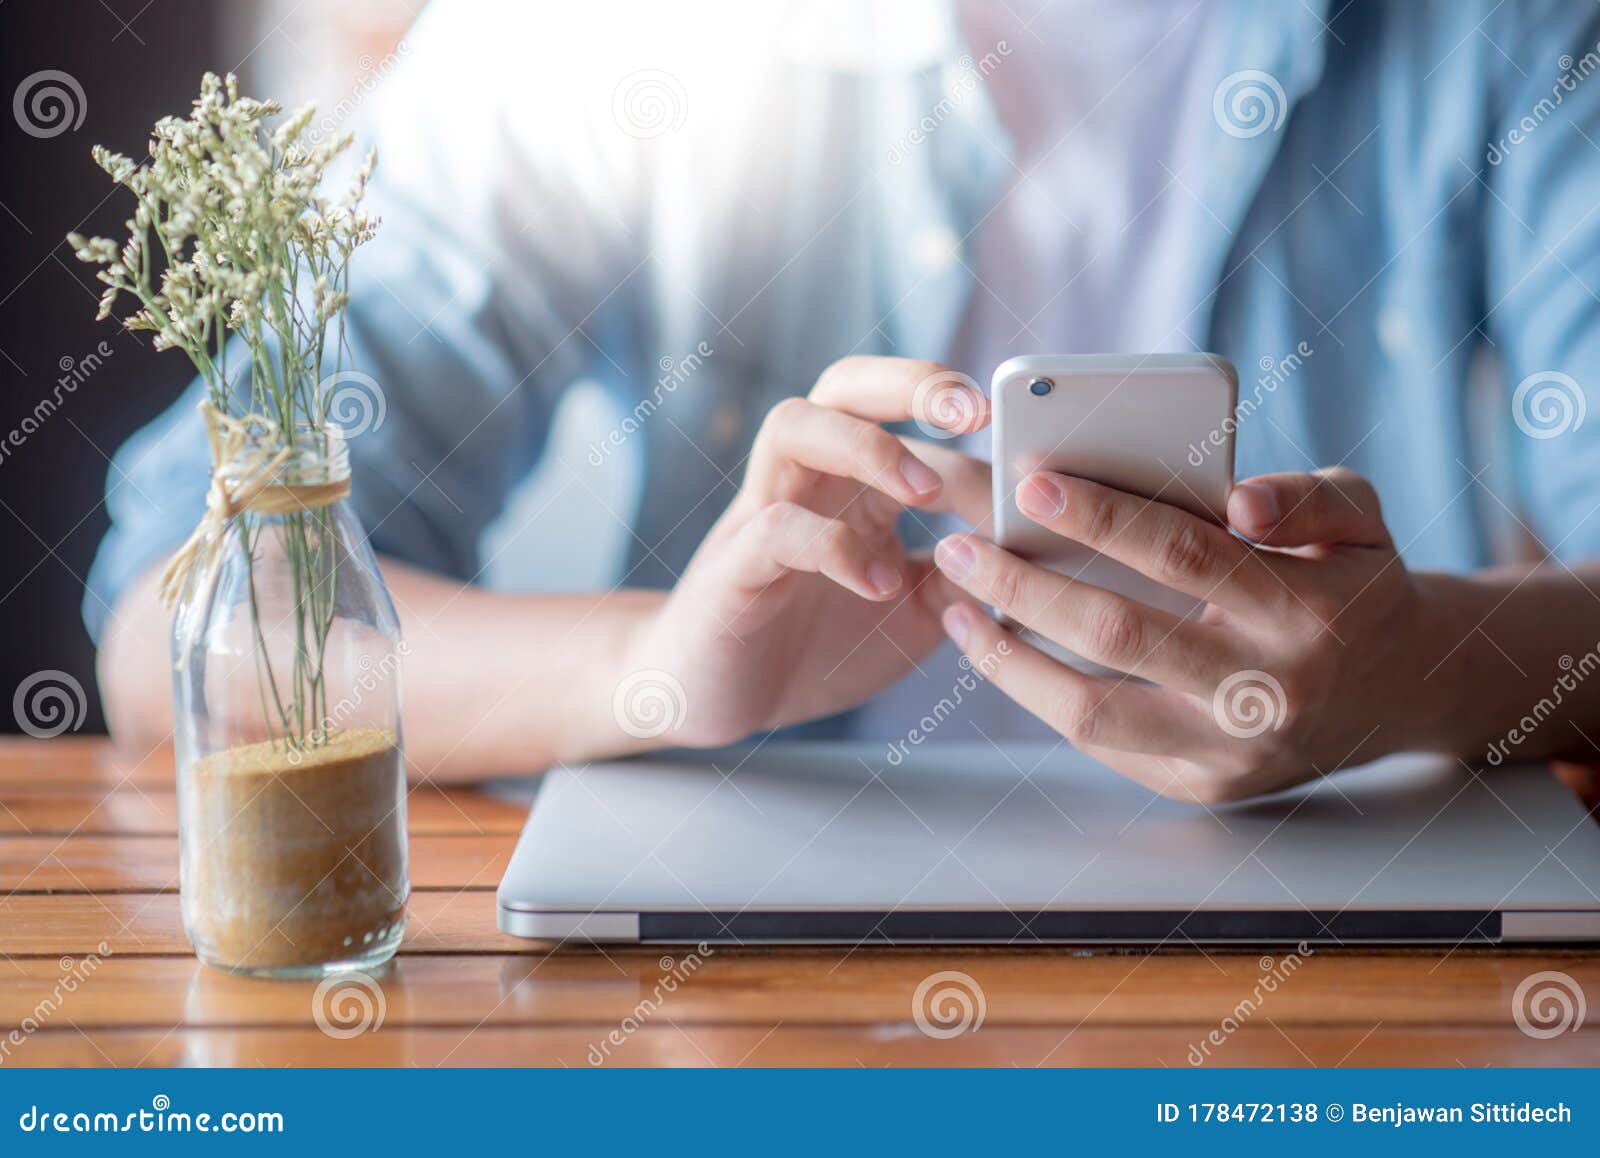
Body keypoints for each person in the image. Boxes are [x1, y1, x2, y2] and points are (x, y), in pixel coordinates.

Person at [89, 0, 1600, 802]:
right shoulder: (601, 38)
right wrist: (663, 669)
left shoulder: (1510, 30)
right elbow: (177, 625)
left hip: (1339, 926)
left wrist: (1420, 674)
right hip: (750, 982)